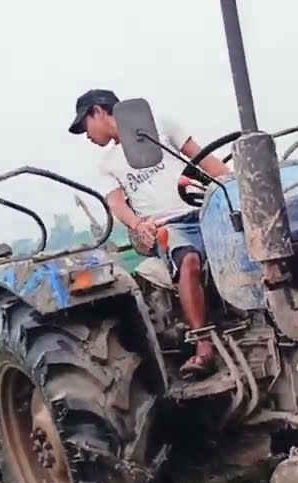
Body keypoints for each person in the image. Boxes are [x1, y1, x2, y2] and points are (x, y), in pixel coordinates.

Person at [68, 88, 232, 379]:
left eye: (85, 127)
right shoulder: (107, 165)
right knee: (188, 260)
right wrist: (138, 225)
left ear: (98, 111)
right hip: (169, 226)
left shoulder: (161, 127)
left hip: (207, 209)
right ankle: (203, 345)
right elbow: (116, 202)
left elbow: (204, 159)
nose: (87, 136)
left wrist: (233, 183)